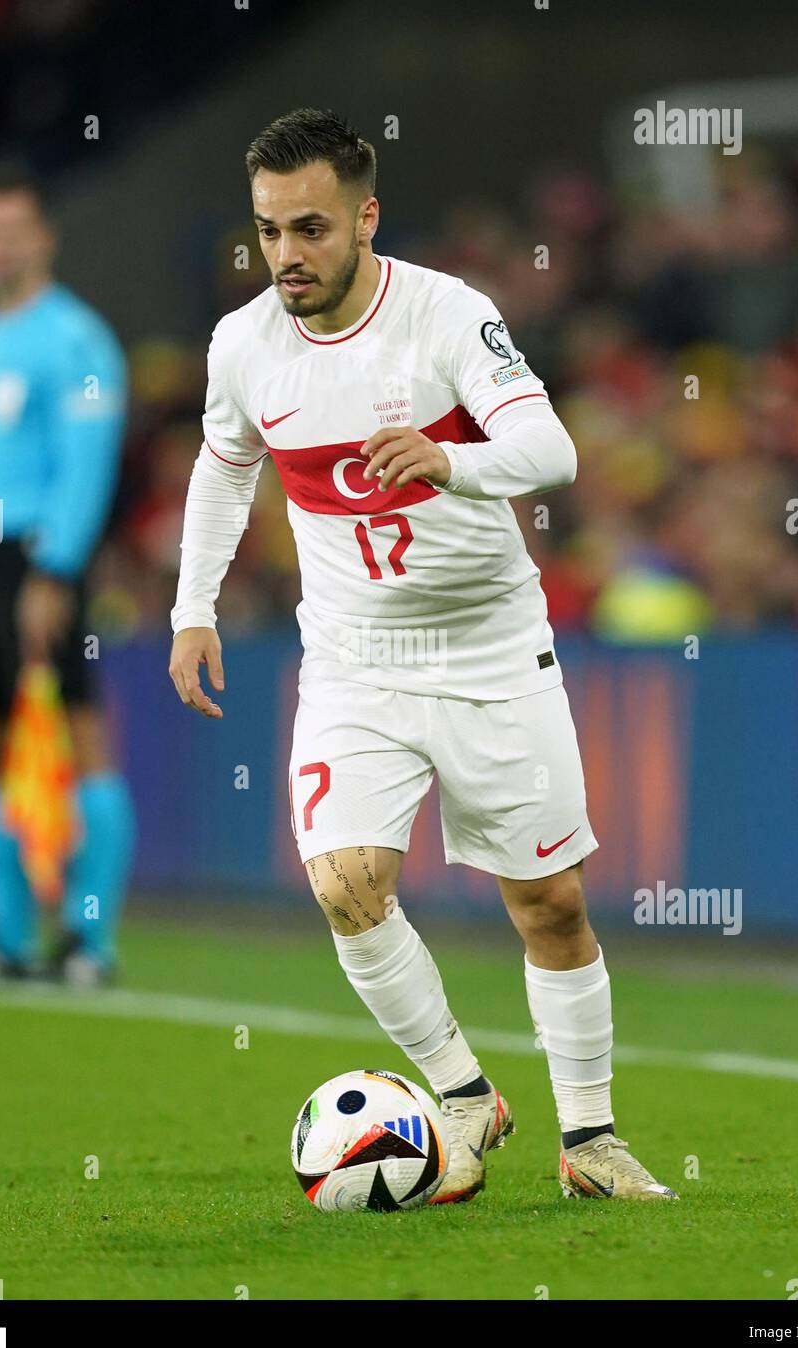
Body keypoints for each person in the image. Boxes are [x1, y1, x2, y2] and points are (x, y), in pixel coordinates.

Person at [169, 108, 676, 1203]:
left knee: (549, 905)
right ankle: (463, 1090)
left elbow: (553, 450)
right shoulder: (243, 344)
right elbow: (222, 470)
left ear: (366, 217)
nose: (287, 254)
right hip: (353, 659)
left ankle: (588, 1138)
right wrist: (191, 608)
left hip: (492, 649)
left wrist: (453, 465)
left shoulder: (447, 315)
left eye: (310, 227)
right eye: (269, 231)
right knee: (347, 883)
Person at [0, 160, 135, 986]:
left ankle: (88, 942)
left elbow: (88, 464)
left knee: (79, 747)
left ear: (43, 236)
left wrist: (58, 569)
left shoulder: (77, 339)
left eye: (11, 233)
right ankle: (4, 939)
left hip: (38, 557)